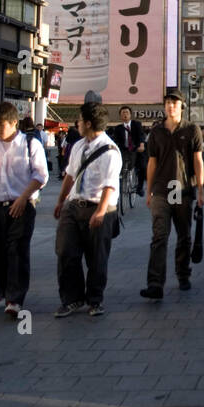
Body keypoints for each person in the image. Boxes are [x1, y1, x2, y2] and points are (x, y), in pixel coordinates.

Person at [0, 101, 49, 317]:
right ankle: (3, 292)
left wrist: (24, 198)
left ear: (14, 122)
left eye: (1, 125)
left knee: (17, 250)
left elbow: (40, 176)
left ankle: (15, 299)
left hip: (21, 204)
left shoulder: (29, 144)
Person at [52, 102, 121, 317]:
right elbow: (70, 176)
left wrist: (100, 212)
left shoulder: (110, 151)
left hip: (98, 207)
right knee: (65, 252)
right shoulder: (78, 146)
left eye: (80, 120)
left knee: (97, 257)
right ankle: (71, 299)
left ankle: (94, 299)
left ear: (88, 123)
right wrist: (61, 200)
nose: (78, 124)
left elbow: (110, 185)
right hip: (74, 206)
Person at [142, 89, 204, 300]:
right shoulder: (157, 132)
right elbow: (152, 163)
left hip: (181, 189)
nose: (171, 106)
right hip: (161, 190)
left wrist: (201, 190)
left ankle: (183, 274)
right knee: (159, 236)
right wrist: (149, 191)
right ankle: (155, 284)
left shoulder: (192, 129)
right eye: (168, 102)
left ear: (182, 106)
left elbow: (198, 161)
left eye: (175, 103)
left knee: (184, 235)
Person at [109, 105, 147, 198]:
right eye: (123, 113)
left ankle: (139, 188)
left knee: (142, 167)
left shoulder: (136, 124)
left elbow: (141, 135)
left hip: (137, 149)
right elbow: (115, 140)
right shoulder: (118, 128)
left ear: (130, 115)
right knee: (118, 167)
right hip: (124, 150)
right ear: (120, 116)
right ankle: (118, 186)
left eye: (127, 112)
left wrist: (141, 144)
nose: (125, 114)